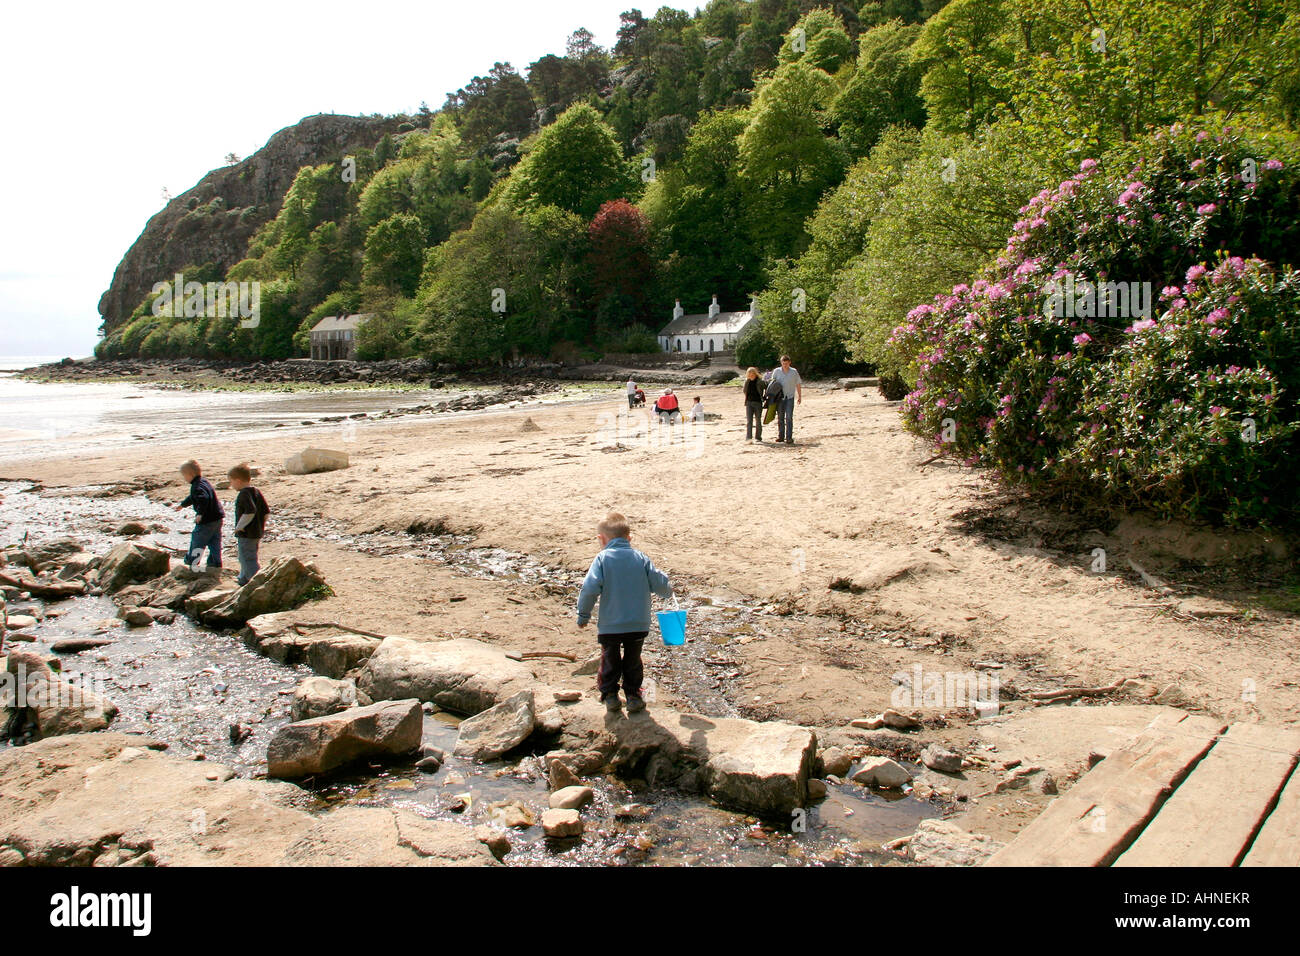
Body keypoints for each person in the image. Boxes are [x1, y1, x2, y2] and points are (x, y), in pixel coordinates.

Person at [576, 512, 673, 714]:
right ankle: (633, 696)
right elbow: (662, 587)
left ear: (601, 540)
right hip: (638, 623)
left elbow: (589, 589)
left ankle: (610, 695)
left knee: (609, 658)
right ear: (629, 539)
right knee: (633, 660)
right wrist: (667, 585)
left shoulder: (602, 558)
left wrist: (583, 614)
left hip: (611, 624)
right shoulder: (641, 558)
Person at [173, 460, 224, 571]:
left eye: (184, 476)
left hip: (207, 520)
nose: (184, 479)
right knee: (214, 541)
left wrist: (200, 513)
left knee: (198, 540)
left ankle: (192, 561)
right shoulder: (204, 481)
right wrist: (182, 505)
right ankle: (215, 562)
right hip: (217, 517)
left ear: (190, 474)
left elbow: (203, 499)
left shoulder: (197, 487)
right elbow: (193, 497)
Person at [228, 464, 270, 586]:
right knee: (244, 556)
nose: (231, 485)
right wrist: (261, 525)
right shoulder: (256, 491)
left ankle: (256, 582)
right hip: (257, 532)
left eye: (231, 482)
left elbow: (250, 511)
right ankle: (243, 578)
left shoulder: (244, 494)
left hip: (247, 533)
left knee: (248, 558)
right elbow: (266, 513)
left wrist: (239, 526)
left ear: (238, 481)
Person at [770, 354, 803, 444]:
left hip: (790, 397)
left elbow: (798, 383)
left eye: (786, 363)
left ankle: (789, 437)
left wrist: (800, 396)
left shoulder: (794, 372)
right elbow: (772, 384)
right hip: (780, 398)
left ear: (789, 363)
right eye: (783, 363)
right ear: (781, 363)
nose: (785, 365)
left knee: (789, 417)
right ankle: (781, 436)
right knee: (780, 417)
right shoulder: (776, 371)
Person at [743, 367, 764, 442]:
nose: (751, 375)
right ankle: (748, 437)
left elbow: (765, 389)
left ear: (755, 374)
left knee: (758, 420)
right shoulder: (747, 382)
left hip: (758, 402)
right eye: (749, 374)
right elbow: (744, 391)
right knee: (749, 421)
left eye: (752, 374)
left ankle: (758, 437)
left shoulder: (760, 381)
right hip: (749, 403)